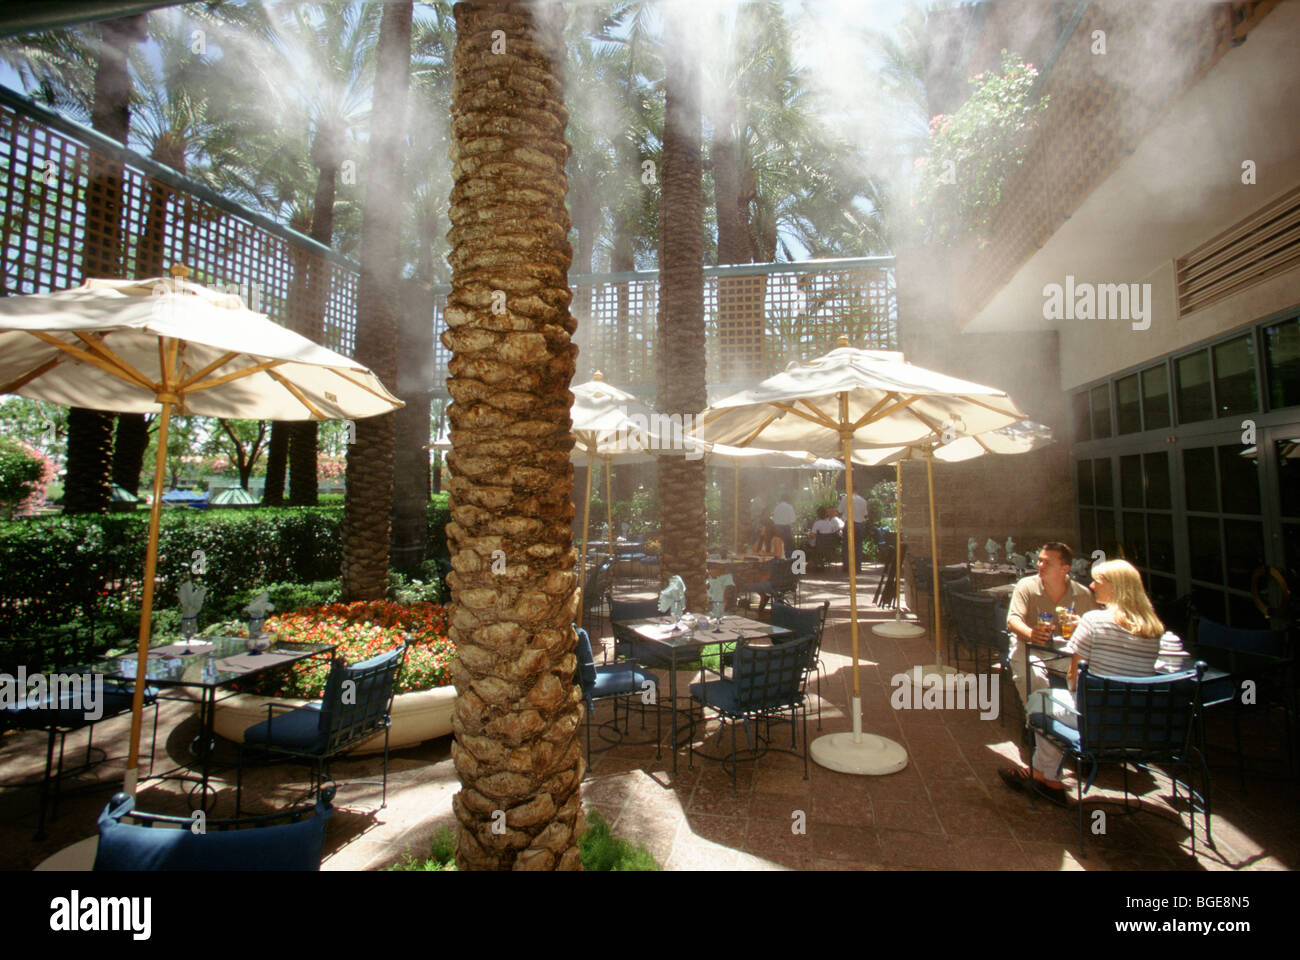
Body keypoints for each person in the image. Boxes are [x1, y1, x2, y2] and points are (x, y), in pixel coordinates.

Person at [998, 559, 1188, 805]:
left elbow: (1073, 679)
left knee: (1039, 699)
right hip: (1143, 727)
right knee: (1050, 700)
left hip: (1098, 726)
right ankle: (1042, 775)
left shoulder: (1094, 621)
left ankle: (1047, 777)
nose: (1092, 585)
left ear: (1115, 587)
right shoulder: (1154, 629)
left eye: (1098, 581)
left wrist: (1086, 632)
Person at [1005, 541, 1097, 714]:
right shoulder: (1026, 586)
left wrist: (1082, 625)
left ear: (1065, 569)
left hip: (1065, 650)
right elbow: (1013, 620)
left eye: (1047, 562)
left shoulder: (1082, 594)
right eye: (1040, 560)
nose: (1040, 565)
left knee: (1087, 676)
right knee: (1033, 677)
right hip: (1028, 646)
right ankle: (1036, 723)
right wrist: (1031, 633)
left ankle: (1074, 719)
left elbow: (1095, 628)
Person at [837, 489, 868, 573]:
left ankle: (847, 566)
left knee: (846, 545)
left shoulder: (845, 498)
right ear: (857, 490)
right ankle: (858, 567)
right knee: (858, 546)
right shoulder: (863, 500)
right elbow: (865, 514)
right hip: (859, 524)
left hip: (849, 523)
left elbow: (839, 510)